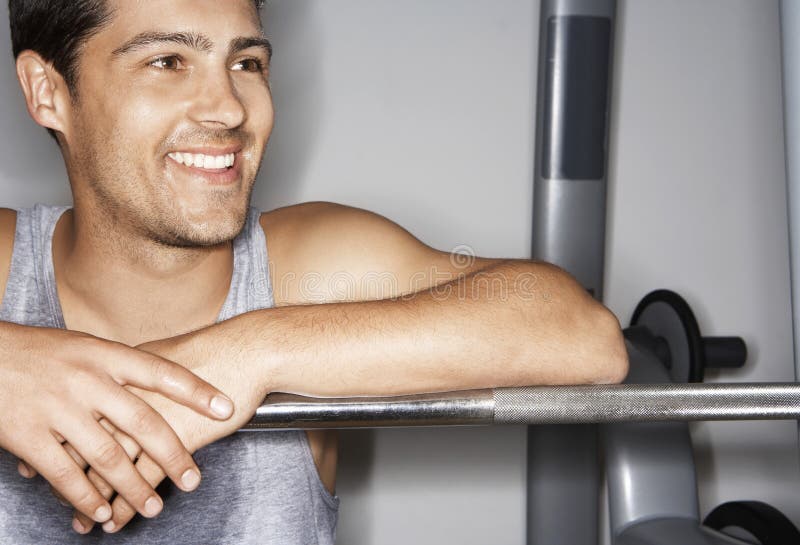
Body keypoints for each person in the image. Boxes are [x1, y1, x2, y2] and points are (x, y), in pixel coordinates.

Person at [0, 0, 629, 542]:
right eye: (168, 62)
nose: (229, 109)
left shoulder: (309, 273)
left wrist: (251, 352)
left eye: (246, 63)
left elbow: (581, 335)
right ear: (47, 91)